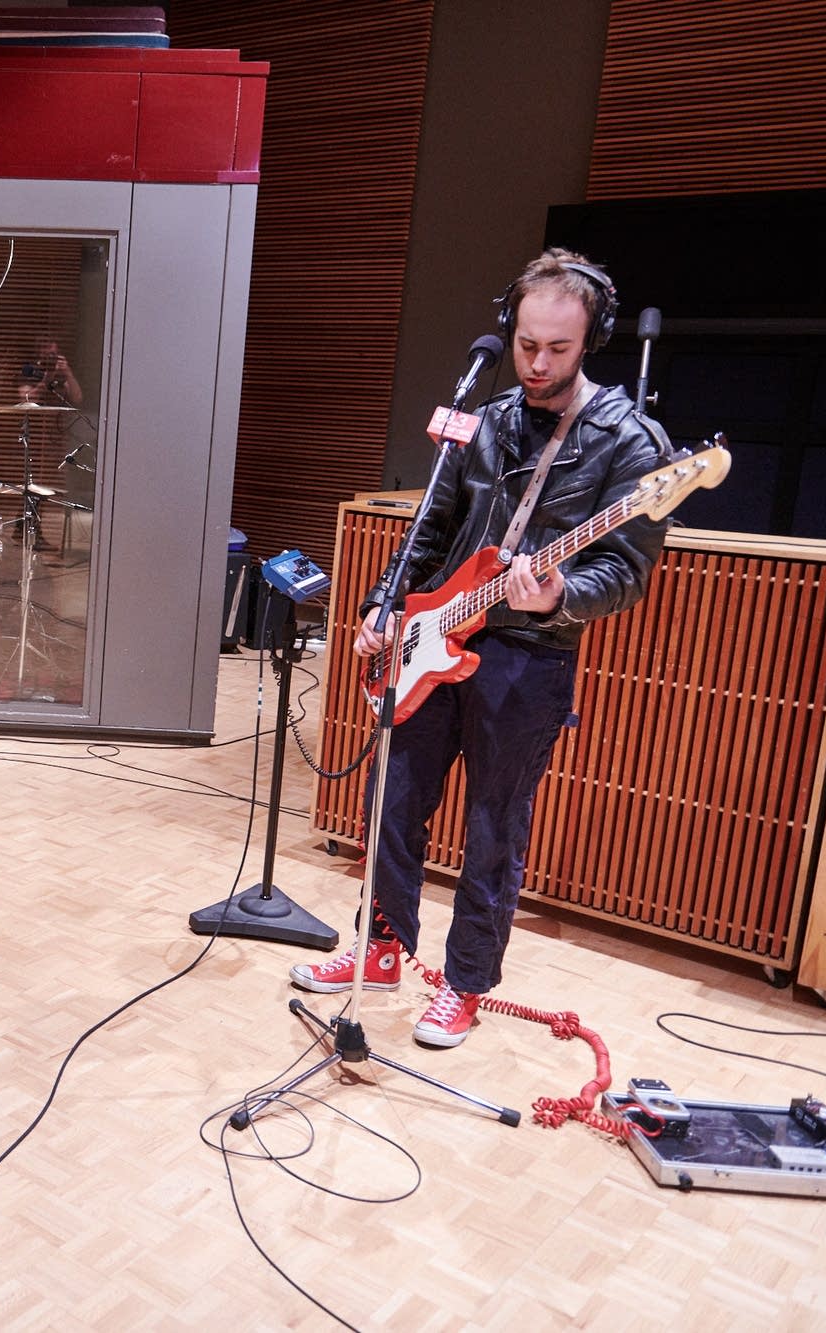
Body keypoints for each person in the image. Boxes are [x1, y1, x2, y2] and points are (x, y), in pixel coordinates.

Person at [290, 248, 673, 1048]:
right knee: (392, 802)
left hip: (528, 657)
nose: (537, 363)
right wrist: (385, 603)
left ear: (590, 339)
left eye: (558, 349)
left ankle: (463, 985)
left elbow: (627, 569)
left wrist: (563, 591)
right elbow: (431, 528)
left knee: (494, 826)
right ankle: (384, 947)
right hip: (436, 641)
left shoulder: (630, 443)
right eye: (527, 344)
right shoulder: (488, 419)